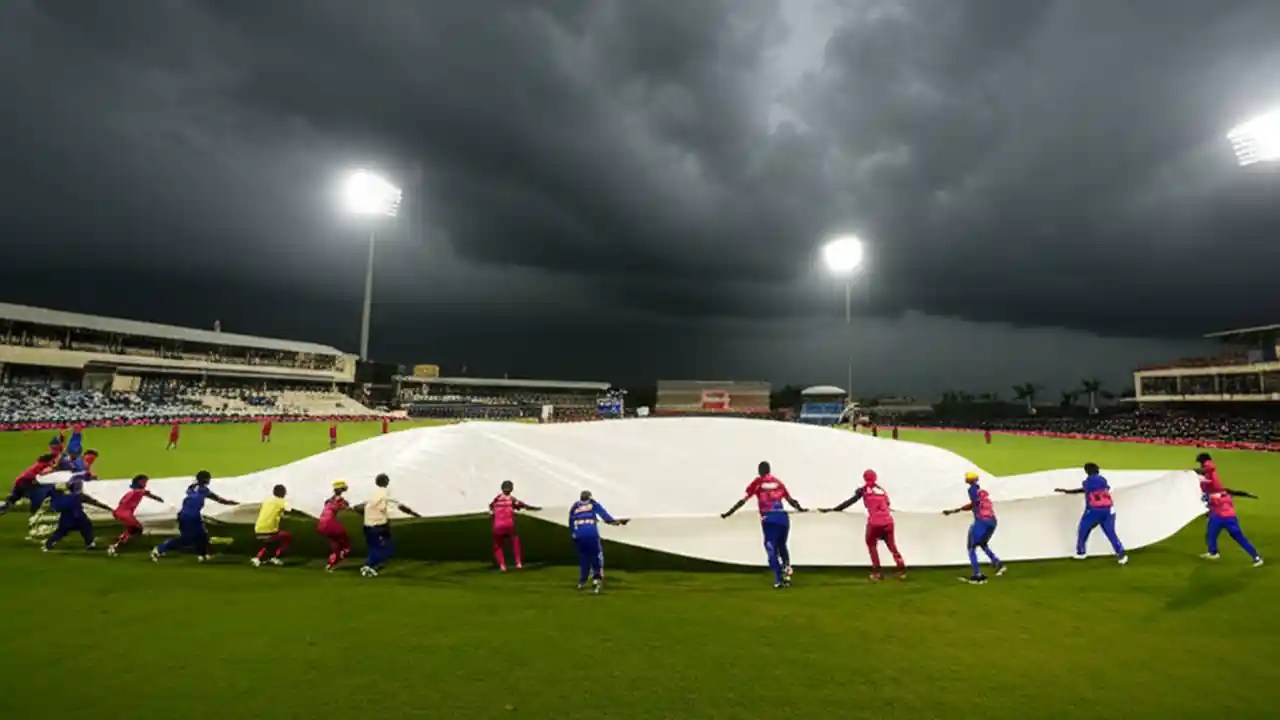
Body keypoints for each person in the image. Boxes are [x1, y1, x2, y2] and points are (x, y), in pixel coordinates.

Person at [721, 461, 808, 588]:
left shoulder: (758, 482)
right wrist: (801, 509)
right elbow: (791, 500)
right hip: (783, 517)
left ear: (760, 471)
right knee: (782, 545)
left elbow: (743, 500)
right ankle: (787, 570)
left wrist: (729, 513)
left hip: (769, 518)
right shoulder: (778, 482)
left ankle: (779, 579)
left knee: (770, 548)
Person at [822, 469, 907, 581]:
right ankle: (902, 570)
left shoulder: (862, 490)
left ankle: (877, 572)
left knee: (871, 544)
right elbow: (887, 504)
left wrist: (833, 509)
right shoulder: (881, 490)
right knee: (892, 546)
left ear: (864, 478)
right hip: (888, 522)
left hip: (875, 523)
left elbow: (849, 502)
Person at [151, 471, 239, 563]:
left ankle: (202, 555)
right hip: (189, 516)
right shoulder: (204, 490)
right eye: (208, 478)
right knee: (187, 538)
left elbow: (192, 493)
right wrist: (236, 504)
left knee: (202, 535)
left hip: (190, 515)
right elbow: (221, 500)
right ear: (205, 479)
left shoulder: (192, 487)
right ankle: (160, 549)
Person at [1055, 462, 1128, 564]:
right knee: (1111, 533)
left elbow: (1084, 490)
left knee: (1083, 529)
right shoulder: (1103, 480)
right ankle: (1121, 554)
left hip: (1094, 510)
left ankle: (1081, 552)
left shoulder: (1088, 482)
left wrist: (1067, 491)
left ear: (1087, 471)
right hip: (1109, 510)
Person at [943, 472, 1006, 583]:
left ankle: (977, 574)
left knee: (971, 547)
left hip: (982, 521)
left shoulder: (972, 490)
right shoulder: (982, 493)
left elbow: (973, 504)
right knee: (982, 543)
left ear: (969, 480)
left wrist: (955, 510)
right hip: (992, 521)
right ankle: (997, 562)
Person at [356, 473, 422, 578]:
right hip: (378, 526)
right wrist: (415, 514)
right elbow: (401, 507)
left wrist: (369, 514)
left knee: (374, 547)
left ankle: (370, 564)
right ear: (386, 482)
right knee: (386, 549)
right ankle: (368, 566)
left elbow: (358, 507)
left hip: (368, 526)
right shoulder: (386, 493)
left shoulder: (372, 494)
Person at [569, 491, 629, 594]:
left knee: (584, 556)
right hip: (591, 532)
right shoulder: (593, 504)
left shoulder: (575, 506)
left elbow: (571, 521)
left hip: (579, 534)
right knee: (596, 555)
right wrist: (617, 522)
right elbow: (605, 516)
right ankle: (596, 578)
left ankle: (582, 581)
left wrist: (574, 533)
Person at [43, 474, 112, 552]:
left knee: (68, 529)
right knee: (82, 526)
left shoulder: (69, 492)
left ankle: (49, 543)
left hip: (70, 514)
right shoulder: (78, 492)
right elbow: (92, 501)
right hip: (75, 514)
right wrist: (108, 507)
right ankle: (90, 544)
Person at [1203, 488, 1263, 566]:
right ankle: (1213, 552)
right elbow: (1236, 492)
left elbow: (1236, 492)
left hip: (1226, 518)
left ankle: (1256, 557)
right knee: (1211, 535)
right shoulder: (1216, 492)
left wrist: (1248, 495)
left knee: (1239, 538)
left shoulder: (1213, 493)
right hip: (1221, 517)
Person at [490, 481, 541, 572]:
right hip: (509, 524)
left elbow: (491, 509)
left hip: (497, 525)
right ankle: (518, 562)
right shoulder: (512, 499)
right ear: (511, 489)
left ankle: (502, 565)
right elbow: (523, 506)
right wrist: (536, 508)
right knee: (515, 541)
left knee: (497, 545)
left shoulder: (496, 499)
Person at [108, 474, 164, 556]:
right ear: (139, 482)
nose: (145, 484)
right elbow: (146, 493)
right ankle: (118, 545)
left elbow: (122, 502)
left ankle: (119, 543)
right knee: (137, 529)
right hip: (125, 514)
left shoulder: (131, 492)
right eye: (144, 482)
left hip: (120, 512)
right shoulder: (138, 491)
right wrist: (158, 498)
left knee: (131, 529)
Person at [0, 453, 56, 518]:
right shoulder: (45, 466)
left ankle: (4, 507)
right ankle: (33, 515)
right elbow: (43, 475)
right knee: (39, 496)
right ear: (50, 460)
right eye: (52, 461)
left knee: (13, 499)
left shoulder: (38, 464)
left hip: (18, 483)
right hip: (27, 483)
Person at [252, 484, 291, 567]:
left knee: (274, 541)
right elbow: (290, 510)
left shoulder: (267, 500)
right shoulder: (281, 502)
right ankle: (267, 557)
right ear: (282, 493)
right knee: (286, 537)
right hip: (269, 530)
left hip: (258, 529)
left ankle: (268, 557)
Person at [318, 480, 353, 572]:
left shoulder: (329, 500)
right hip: (330, 522)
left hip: (322, 523)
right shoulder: (340, 500)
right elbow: (347, 507)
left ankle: (331, 564)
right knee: (345, 541)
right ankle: (342, 554)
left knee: (335, 543)